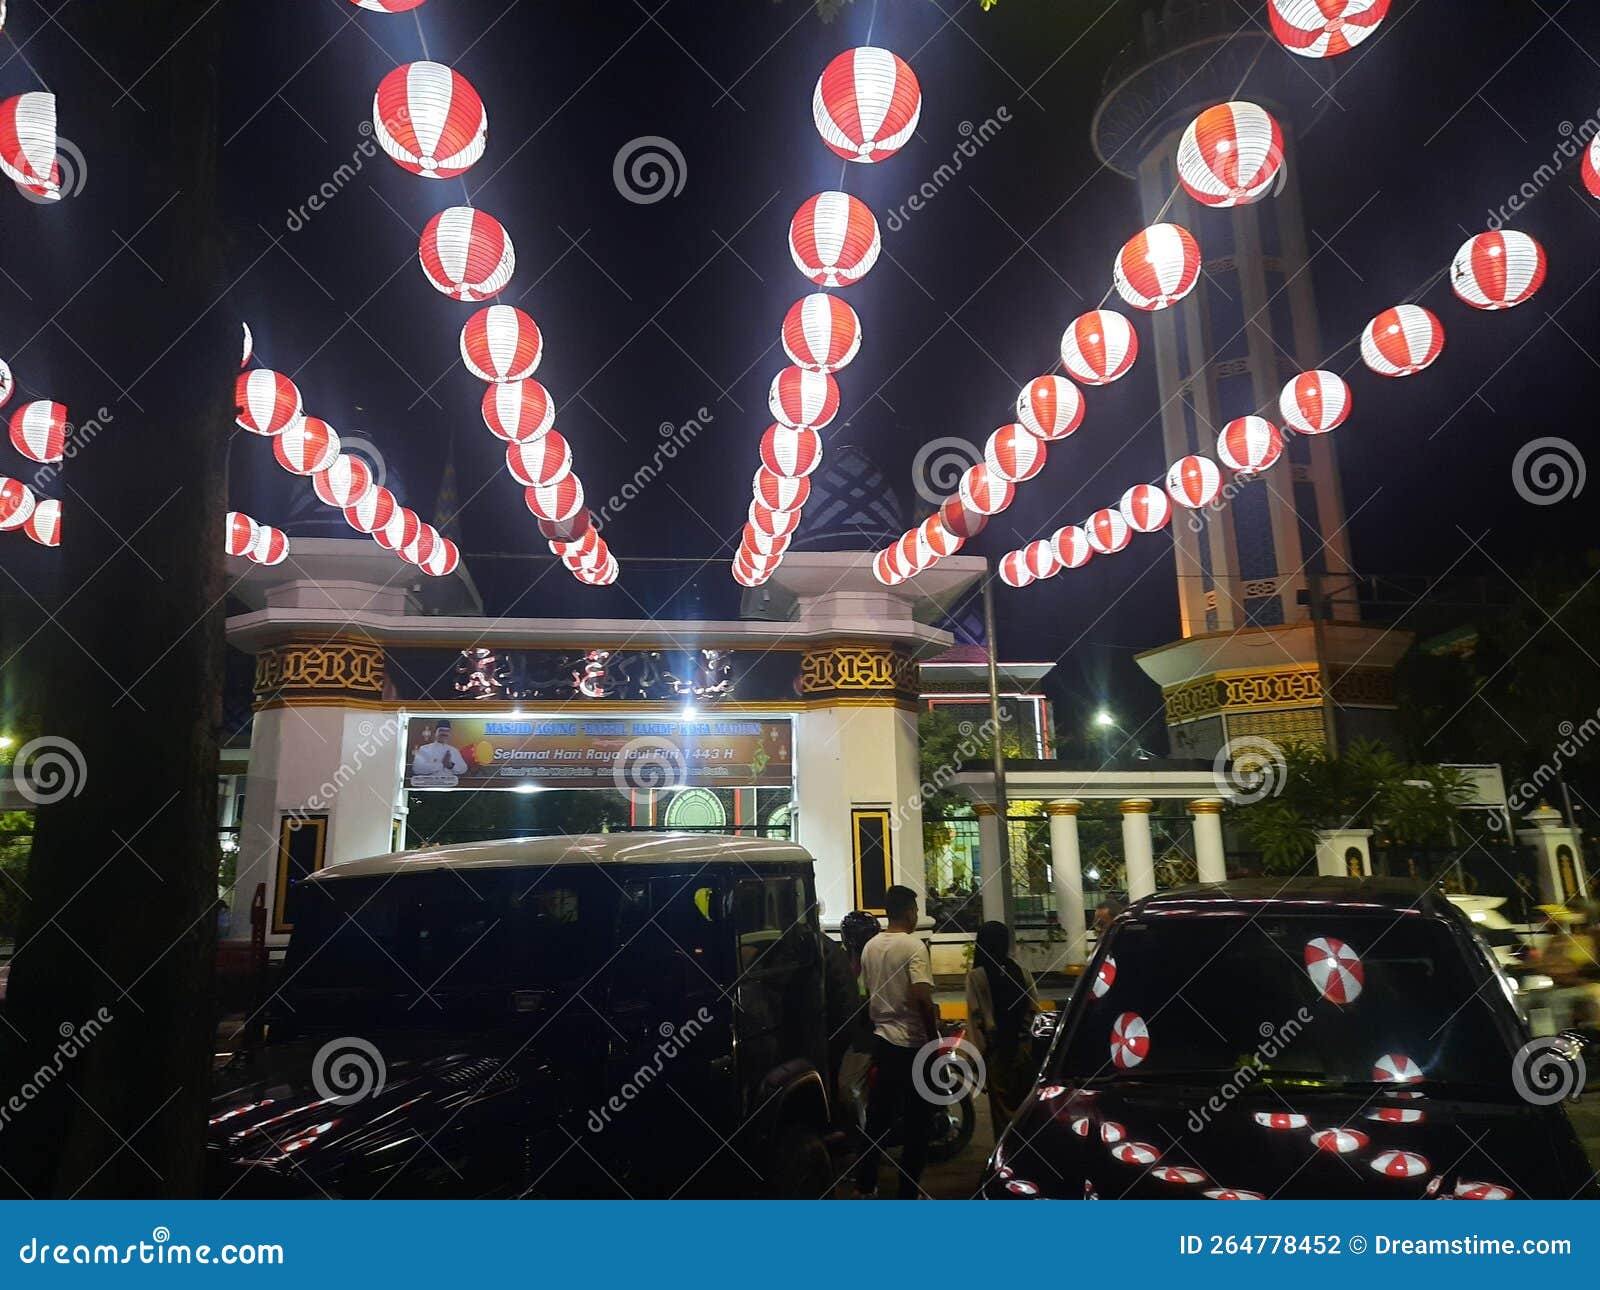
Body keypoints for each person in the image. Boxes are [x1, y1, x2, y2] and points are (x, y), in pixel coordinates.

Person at [854, 886, 940, 1199]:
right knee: (919, 1125)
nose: (916, 915)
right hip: (912, 1046)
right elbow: (922, 997)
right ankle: (908, 1192)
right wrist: (933, 1040)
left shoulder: (870, 947)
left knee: (878, 1118)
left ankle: (865, 1186)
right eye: (915, 910)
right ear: (907, 912)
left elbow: (865, 993)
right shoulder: (914, 946)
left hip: (882, 1042)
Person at [830, 911, 881, 1131]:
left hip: (867, 1035)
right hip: (852, 1032)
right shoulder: (840, 961)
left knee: (847, 1086)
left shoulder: (876, 959)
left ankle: (864, 1135)